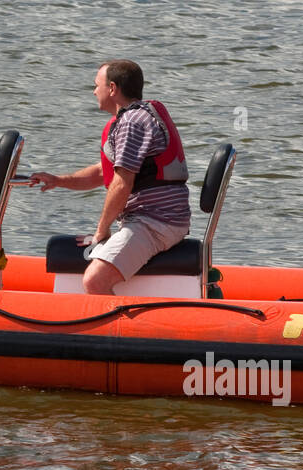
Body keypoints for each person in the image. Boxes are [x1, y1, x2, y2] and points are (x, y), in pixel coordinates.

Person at [29, 60, 191, 295]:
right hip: (161, 217)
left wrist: (102, 231)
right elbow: (103, 172)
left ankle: (128, 331)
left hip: (155, 222)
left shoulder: (131, 123)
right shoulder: (139, 116)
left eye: (96, 85)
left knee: (94, 281)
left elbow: (122, 183)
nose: (94, 91)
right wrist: (59, 180)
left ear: (112, 88)